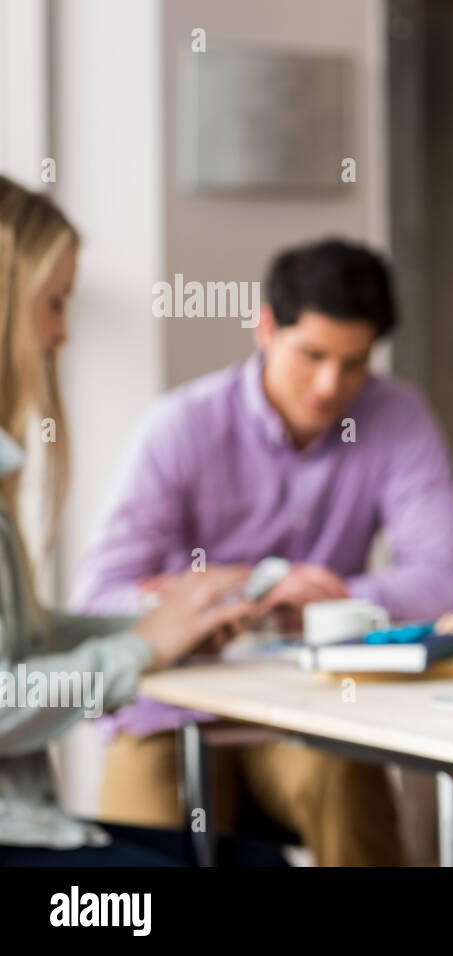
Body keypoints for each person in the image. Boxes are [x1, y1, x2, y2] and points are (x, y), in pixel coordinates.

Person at [73, 238, 453, 866]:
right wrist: (233, 597)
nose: (328, 385)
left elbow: (447, 577)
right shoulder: (180, 425)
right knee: (133, 864)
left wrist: (331, 600)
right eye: (311, 355)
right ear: (265, 326)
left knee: (347, 785)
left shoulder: (396, 415)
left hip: (309, 709)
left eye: (354, 362)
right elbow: (98, 596)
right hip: (170, 708)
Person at [0, 176, 286, 865]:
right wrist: (139, 650)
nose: (63, 332)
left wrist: (166, 626)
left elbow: (24, 644)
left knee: (257, 863)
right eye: (55, 303)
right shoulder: (181, 424)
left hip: (31, 820)